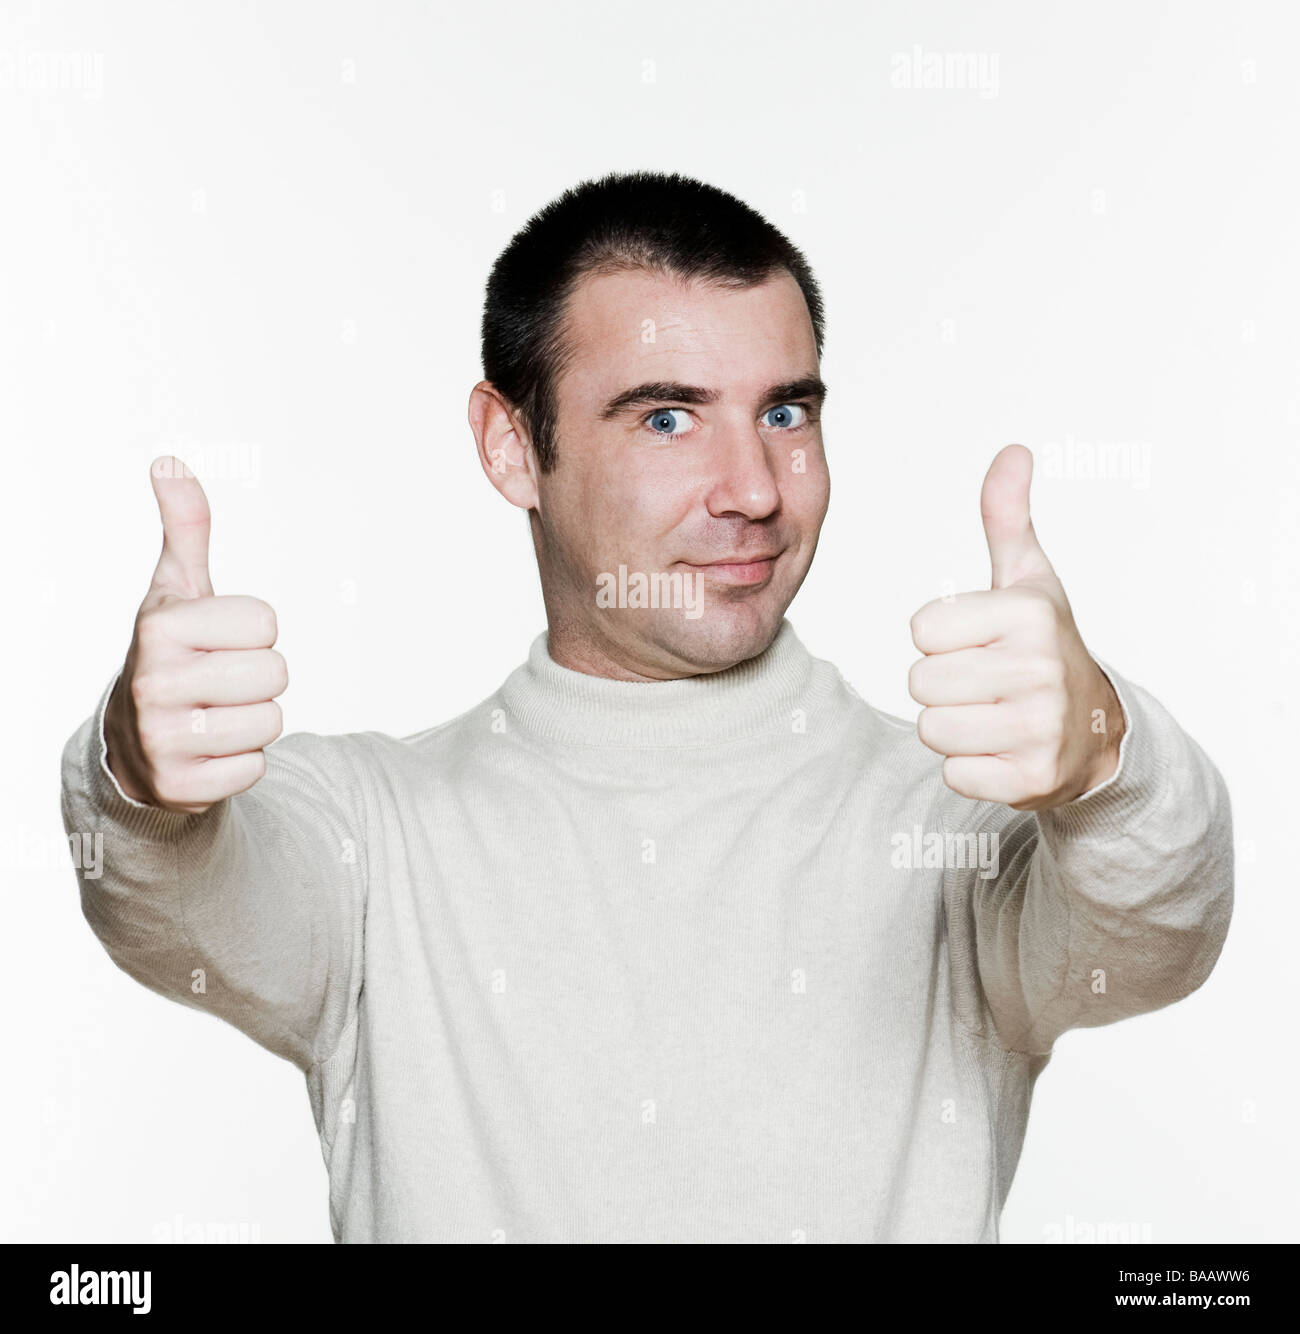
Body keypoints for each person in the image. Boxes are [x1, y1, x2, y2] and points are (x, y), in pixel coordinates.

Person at [60, 171, 1233, 1243]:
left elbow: (1160, 931)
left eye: (785, 413)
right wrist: (136, 773)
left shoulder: (959, 823)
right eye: (667, 417)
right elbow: (168, 898)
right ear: (512, 446)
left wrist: (1101, 757)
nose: (755, 491)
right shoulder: (375, 836)